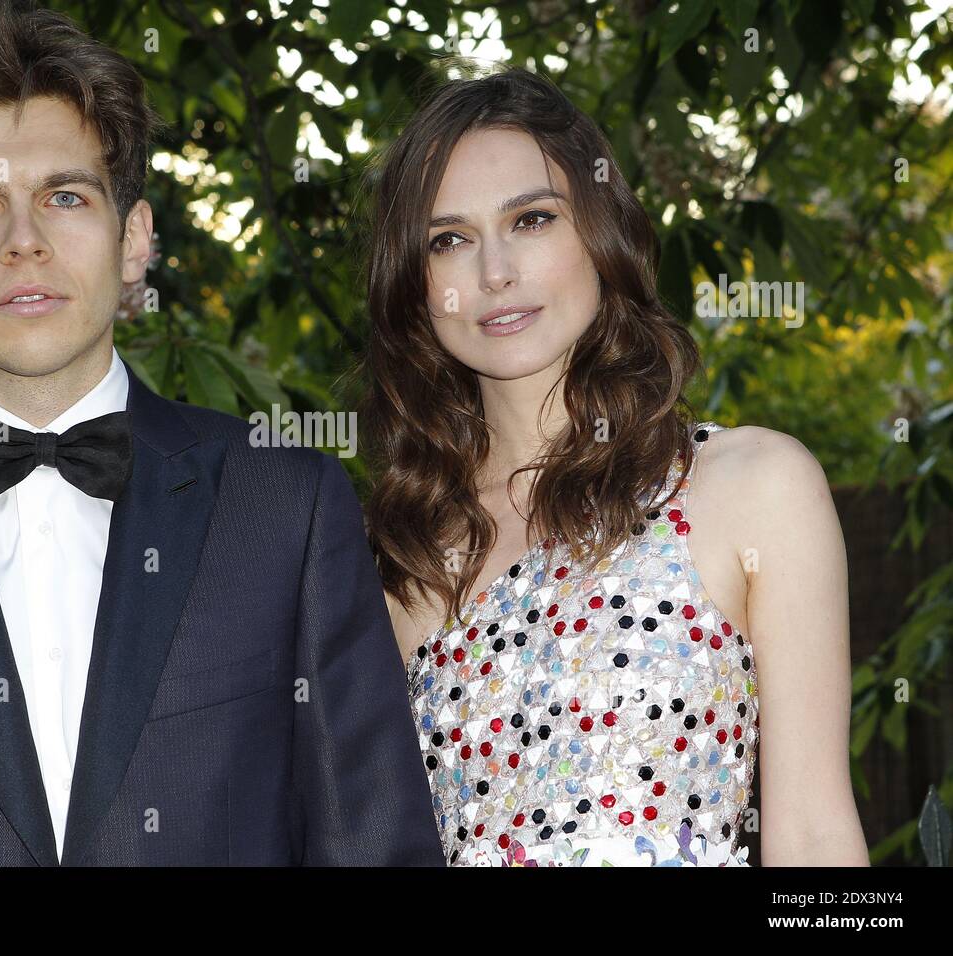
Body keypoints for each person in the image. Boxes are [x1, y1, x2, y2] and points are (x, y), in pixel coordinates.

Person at [0, 0, 443, 867]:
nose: (25, 242)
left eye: (64, 196)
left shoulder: (289, 506)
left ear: (133, 239)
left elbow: (376, 850)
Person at [356, 66, 869, 866]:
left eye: (532, 219)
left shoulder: (753, 487)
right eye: (448, 239)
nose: (494, 273)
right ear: (414, 286)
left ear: (601, 233)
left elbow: (811, 836)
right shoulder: (397, 560)